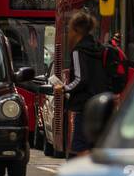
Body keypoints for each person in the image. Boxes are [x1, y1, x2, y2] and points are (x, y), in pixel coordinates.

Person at [54, 9, 127, 155]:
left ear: (76, 30)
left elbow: (81, 79)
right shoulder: (98, 48)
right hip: (101, 105)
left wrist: (64, 88)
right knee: (95, 147)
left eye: (70, 29)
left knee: (79, 148)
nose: (69, 33)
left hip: (86, 107)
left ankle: (85, 175)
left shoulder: (78, 50)